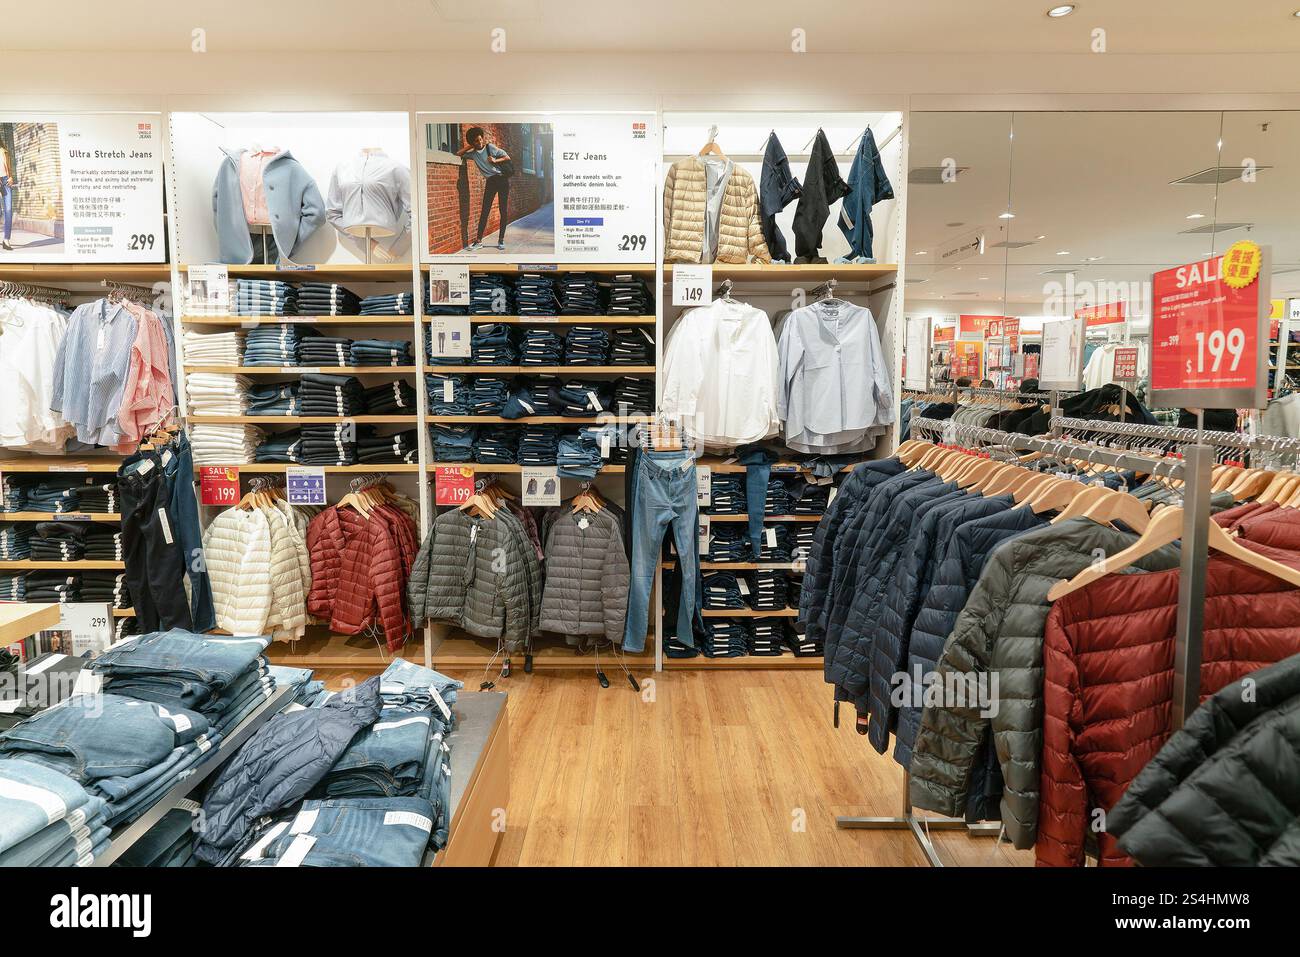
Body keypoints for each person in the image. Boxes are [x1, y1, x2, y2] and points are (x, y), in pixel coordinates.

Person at [456, 127, 512, 251]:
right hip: (491, 182)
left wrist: (495, 159)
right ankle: (479, 241)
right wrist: (470, 146)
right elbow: (459, 154)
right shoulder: (473, 154)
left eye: (480, 139)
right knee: (485, 210)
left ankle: (501, 240)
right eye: (476, 141)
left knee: (503, 210)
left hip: (502, 179)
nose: (480, 143)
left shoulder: (490, 148)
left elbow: (507, 157)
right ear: (472, 143)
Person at [0, 144, 15, 251]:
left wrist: (10, 176)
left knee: (8, 210)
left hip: (6, 180)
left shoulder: (4, 151)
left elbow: (8, 166)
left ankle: (6, 240)